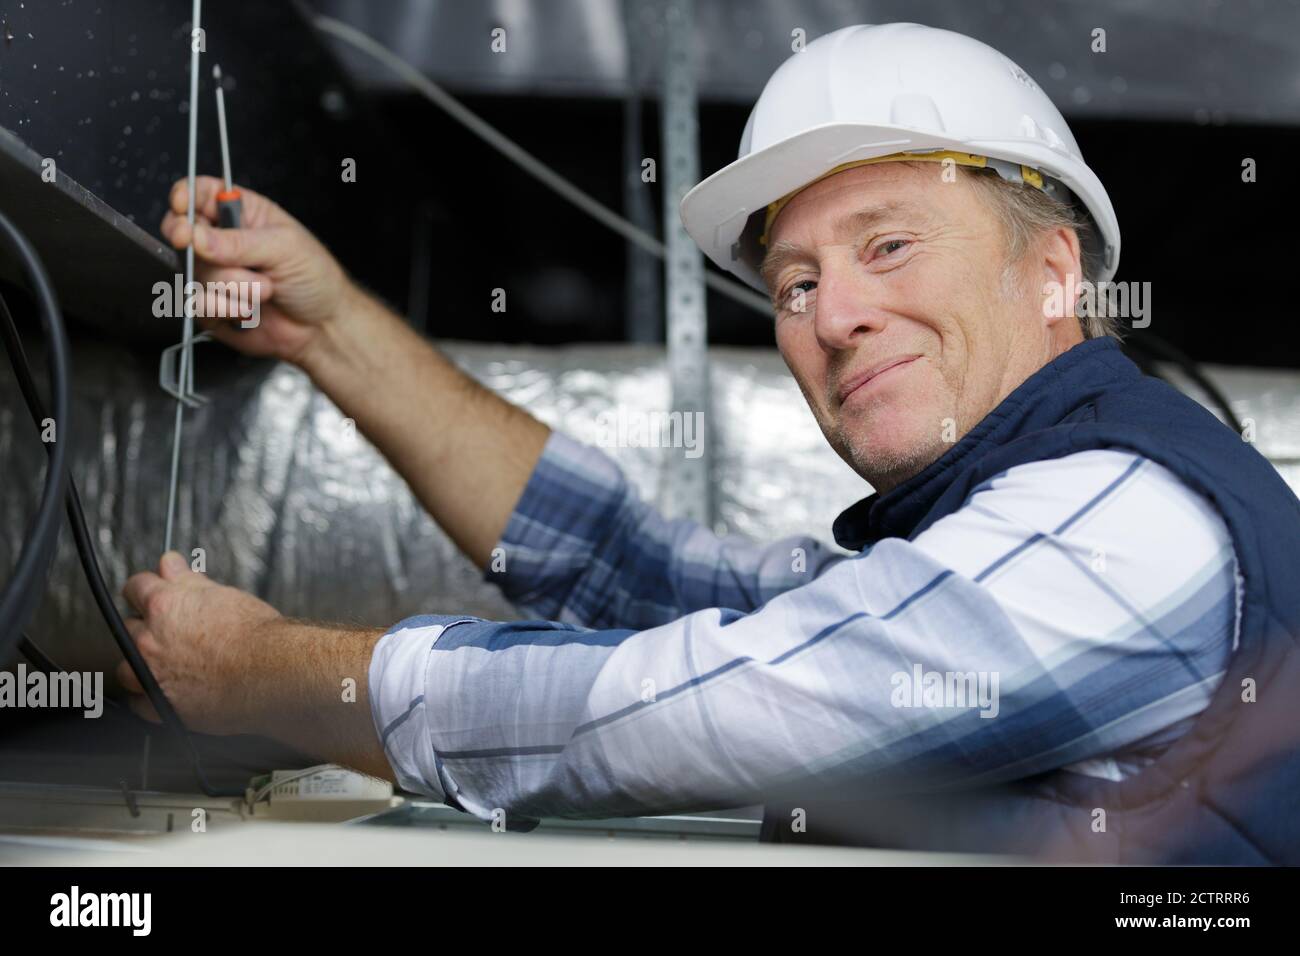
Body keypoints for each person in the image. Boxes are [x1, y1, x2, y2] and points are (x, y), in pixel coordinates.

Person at [120, 24, 1300, 861]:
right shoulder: (1003, 525)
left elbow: (686, 709)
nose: (831, 316)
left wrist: (258, 671)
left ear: (1049, 273)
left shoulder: (1121, 527)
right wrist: (330, 329)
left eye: (887, 245)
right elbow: (631, 572)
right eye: (795, 283)